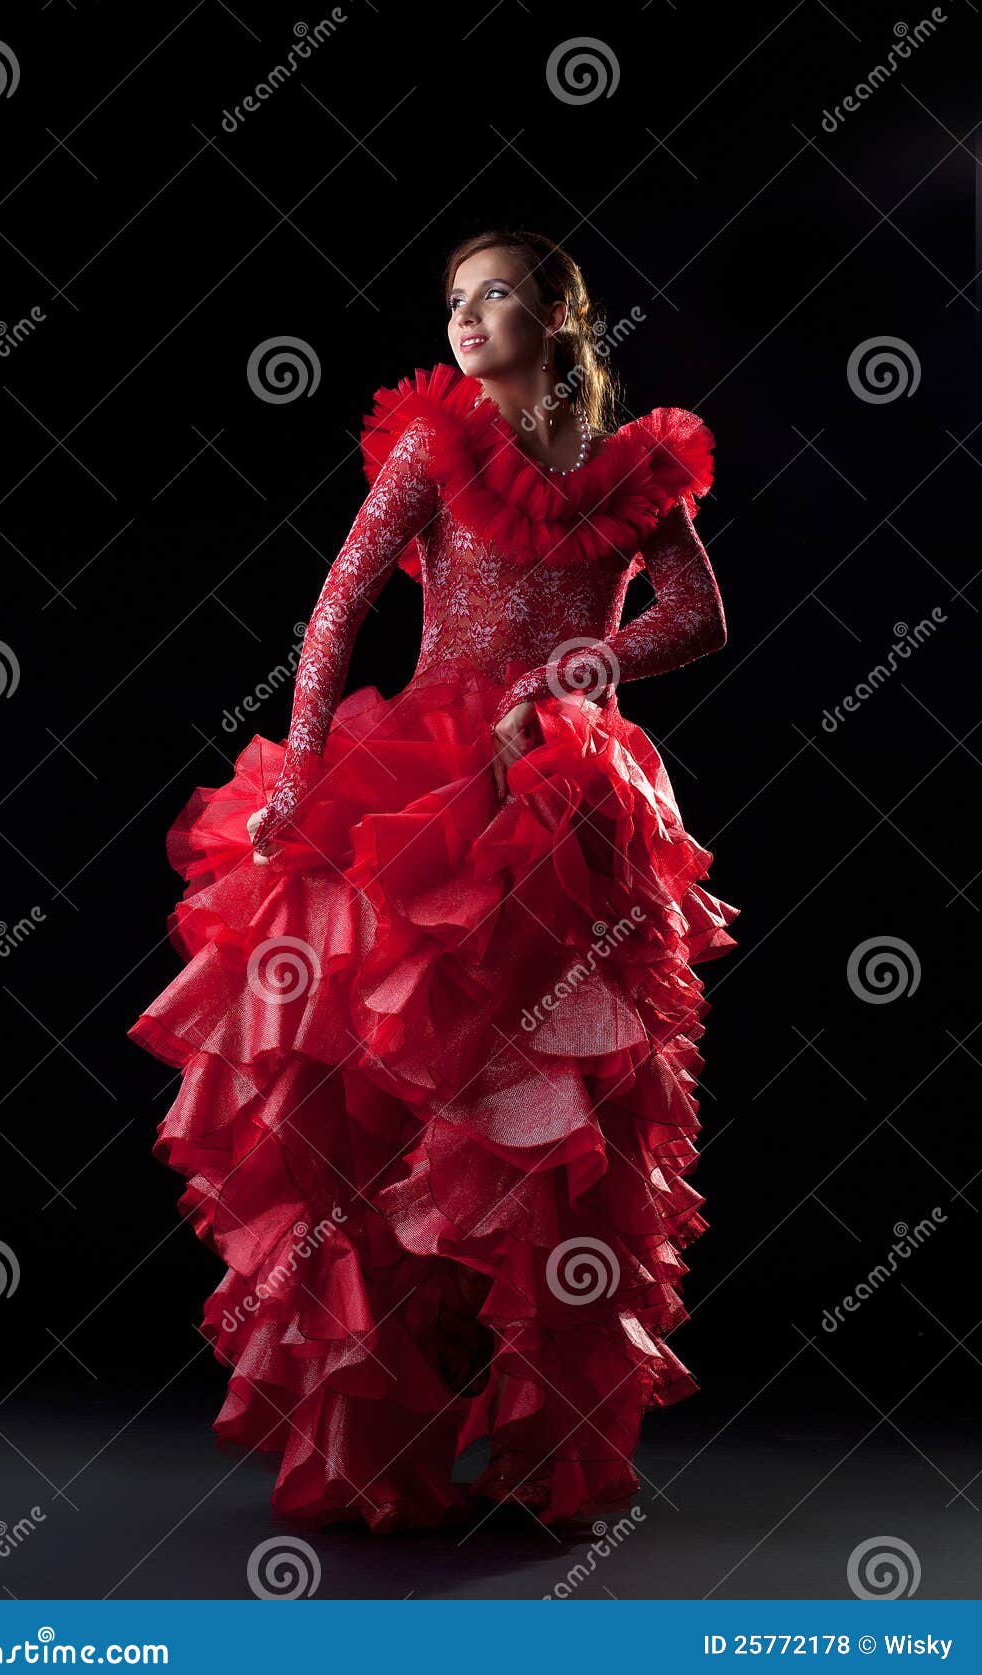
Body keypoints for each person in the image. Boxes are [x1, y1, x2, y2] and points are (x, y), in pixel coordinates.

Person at [129, 227, 739, 1534]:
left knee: (556, 1125)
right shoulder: (432, 444)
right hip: (414, 784)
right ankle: (382, 1435)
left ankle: (539, 1438)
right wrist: (299, 774)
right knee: (381, 1098)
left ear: (560, 312)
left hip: (571, 796)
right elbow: (338, 606)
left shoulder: (637, 472)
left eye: (496, 294)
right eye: (454, 299)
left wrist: (576, 672)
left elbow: (697, 615)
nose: (467, 318)